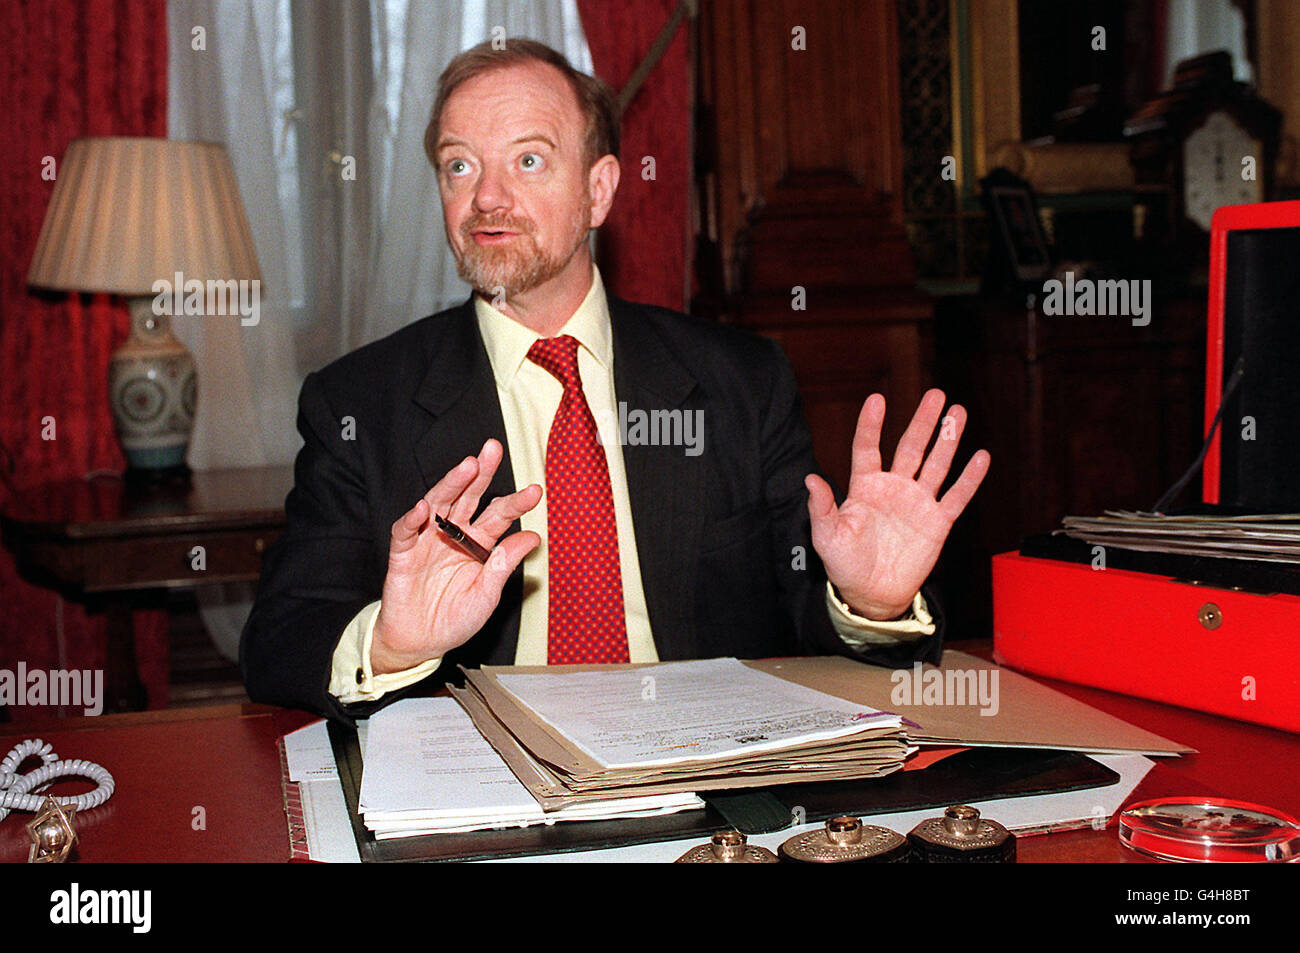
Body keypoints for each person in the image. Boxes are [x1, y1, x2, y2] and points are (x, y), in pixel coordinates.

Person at [240, 39, 989, 724]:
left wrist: (869, 601)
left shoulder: (739, 382)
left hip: (708, 782)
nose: (486, 198)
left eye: (528, 160)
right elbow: (279, 637)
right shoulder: (358, 403)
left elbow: (807, 618)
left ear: (599, 191)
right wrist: (392, 644)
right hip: (482, 796)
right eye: (459, 164)